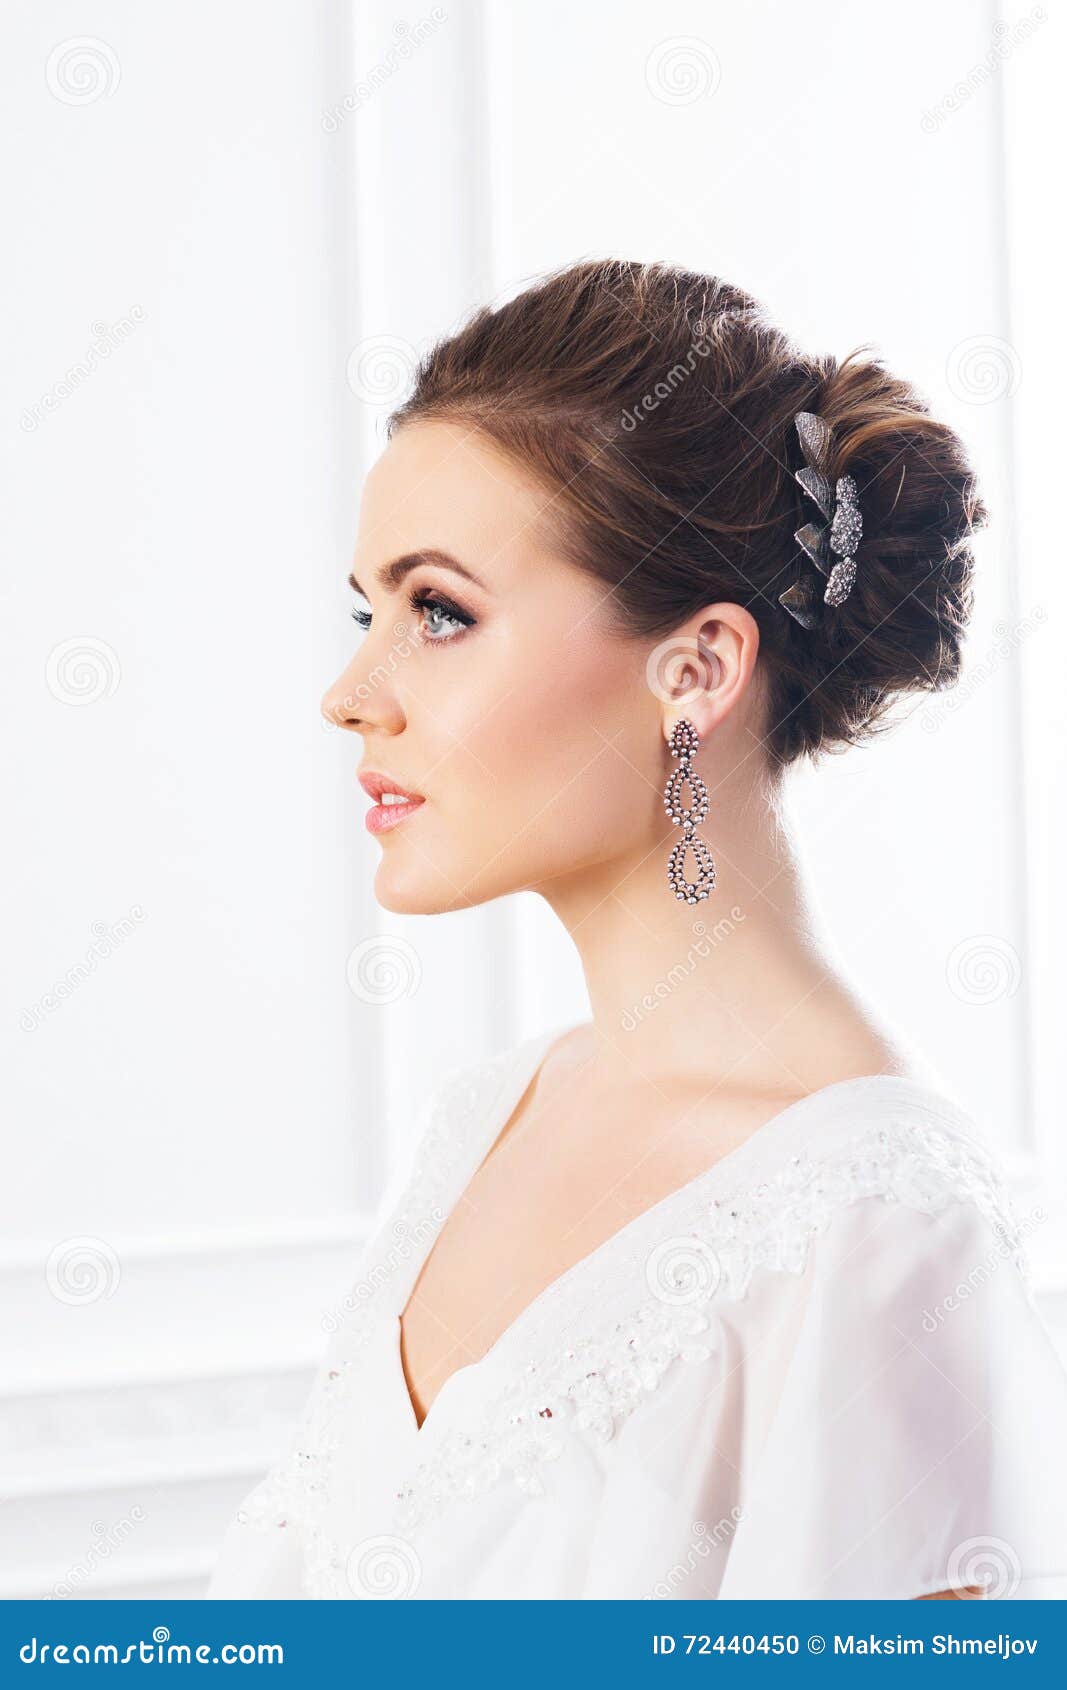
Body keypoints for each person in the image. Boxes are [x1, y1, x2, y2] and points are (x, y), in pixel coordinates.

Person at [207, 259, 1067, 1600]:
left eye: (438, 610)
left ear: (700, 669)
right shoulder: (490, 1115)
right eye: (365, 611)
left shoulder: (880, 1225)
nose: (350, 691)